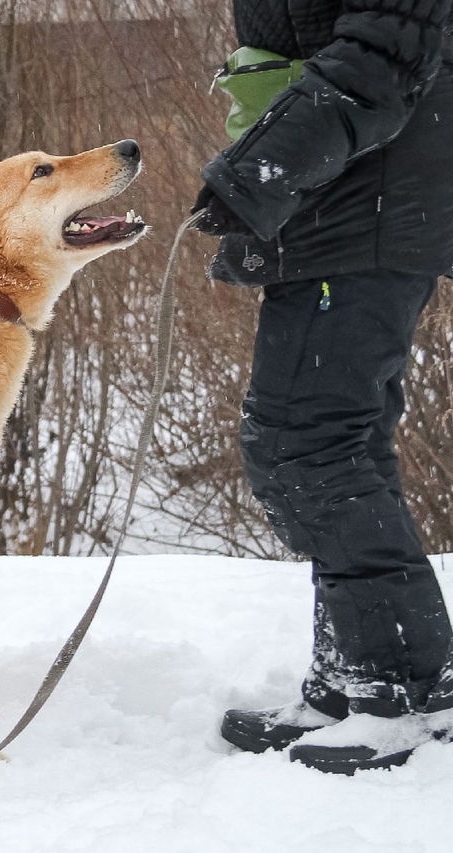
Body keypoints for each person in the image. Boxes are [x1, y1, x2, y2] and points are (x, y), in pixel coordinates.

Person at [191, 0, 453, 774]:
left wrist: (266, 164)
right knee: (337, 446)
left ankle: (408, 691)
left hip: (375, 197)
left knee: (305, 448)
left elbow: (385, 52)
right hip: (341, 194)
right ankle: (353, 680)